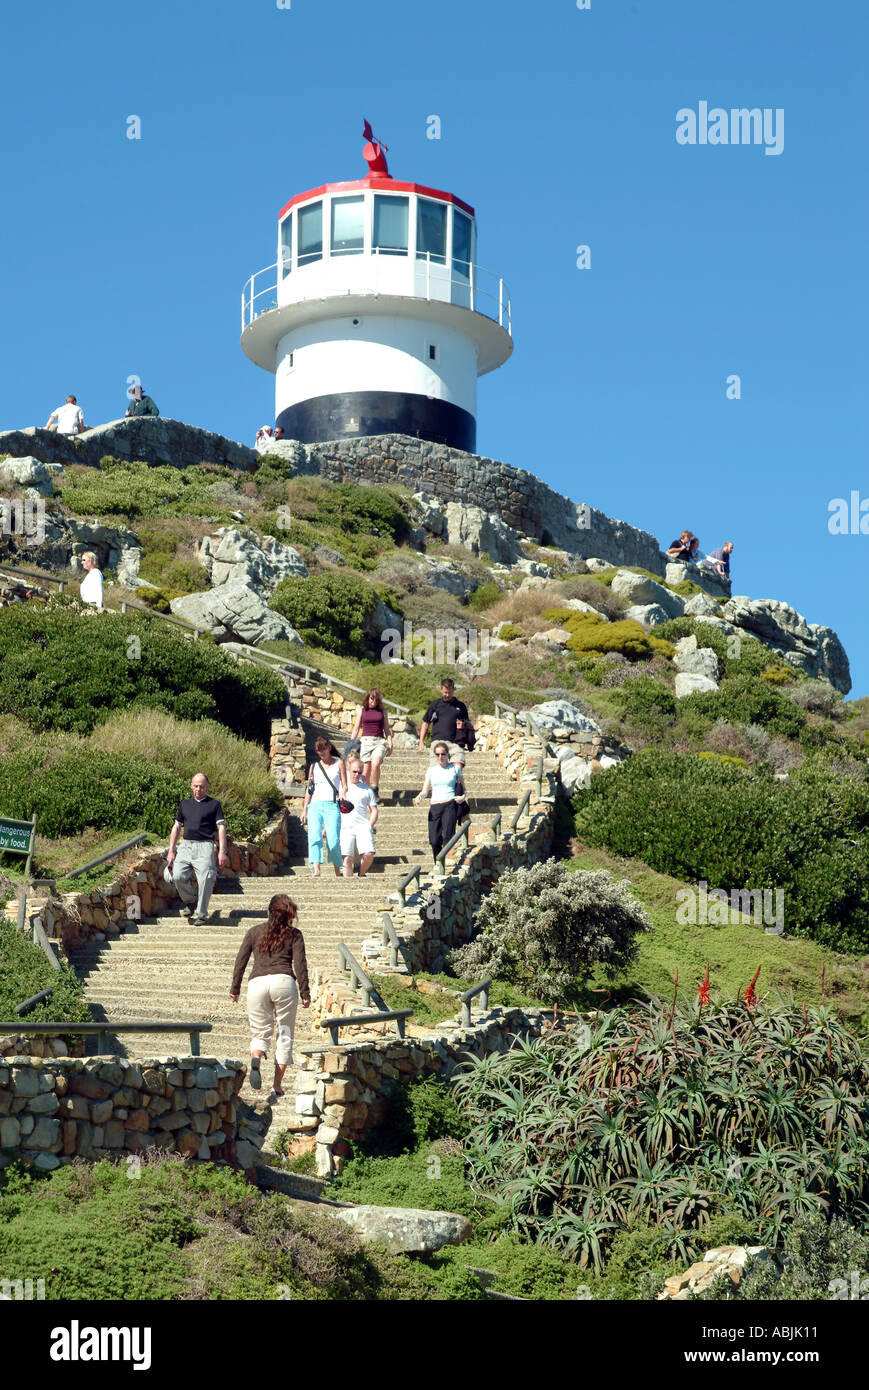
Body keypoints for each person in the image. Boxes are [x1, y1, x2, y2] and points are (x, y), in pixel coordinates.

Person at [229, 892, 310, 1101]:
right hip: (284, 982)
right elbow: (300, 965)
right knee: (284, 1033)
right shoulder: (294, 934)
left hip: (257, 983)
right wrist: (305, 993)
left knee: (260, 1032)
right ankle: (276, 1086)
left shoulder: (254, 932)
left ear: (269, 912)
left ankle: (256, 1056)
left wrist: (235, 988)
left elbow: (241, 960)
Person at [166, 773, 228, 924]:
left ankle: (201, 914)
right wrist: (171, 850)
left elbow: (221, 827)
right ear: (191, 786)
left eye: (201, 786)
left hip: (205, 847)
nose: (198, 789)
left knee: (206, 879)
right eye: (195, 786)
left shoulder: (214, 804)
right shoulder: (184, 804)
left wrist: (222, 851)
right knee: (177, 876)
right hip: (186, 845)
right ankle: (191, 900)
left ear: (207, 787)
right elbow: (176, 827)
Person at [414, 741, 468, 862]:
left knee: (448, 837)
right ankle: (438, 863)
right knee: (434, 840)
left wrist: (462, 797)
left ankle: (447, 864)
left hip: (449, 804)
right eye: (437, 754)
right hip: (435, 806)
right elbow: (425, 790)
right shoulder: (431, 770)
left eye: (443, 754)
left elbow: (464, 789)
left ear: (448, 754)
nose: (440, 757)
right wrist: (420, 796)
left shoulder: (455, 769)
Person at [300, 736, 345, 878]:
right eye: (318, 751)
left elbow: (345, 784)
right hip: (315, 805)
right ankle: (316, 870)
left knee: (333, 840)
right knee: (314, 837)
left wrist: (343, 794)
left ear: (329, 747)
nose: (321, 753)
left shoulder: (339, 763)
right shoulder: (314, 766)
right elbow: (309, 789)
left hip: (332, 804)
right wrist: (304, 809)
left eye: (323, 750)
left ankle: (338, 869)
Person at [349, 689, 392, 800]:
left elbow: (387, 729)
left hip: (379, 741)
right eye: (372, 698)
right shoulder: (362, 711)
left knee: (376, 763)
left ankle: (375, 787)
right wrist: (351, 743)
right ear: (368, 698)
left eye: (376, 699)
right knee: (366, 769)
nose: (373, 701)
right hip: (365, 742)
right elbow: (356, 728)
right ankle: (367, 793)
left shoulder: (382, 712)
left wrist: (390, 743)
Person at [340, 757, 378, 878]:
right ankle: (348, 887)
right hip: (345, 826)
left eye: (359, 772)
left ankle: (361, 874)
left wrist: (370, 825)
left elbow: (374, 810)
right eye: (354, 771)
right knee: (347, 859)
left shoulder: (367, 790)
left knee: (368, 854)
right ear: (349, 769)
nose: (357, 774)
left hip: (362, 825)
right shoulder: (341, 787)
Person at [418, 678, 470, 760]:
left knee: (458, 767)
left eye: (450, 692)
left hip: (456, 743)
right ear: (441, 689)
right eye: (445, 692)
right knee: (436, 769)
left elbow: (468, 726)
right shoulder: (435, 705)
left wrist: (463, 726)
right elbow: (426, 723)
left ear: (453, 689)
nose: (447, 695)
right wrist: (421, 742)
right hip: (437, 742)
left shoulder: (461, 706)